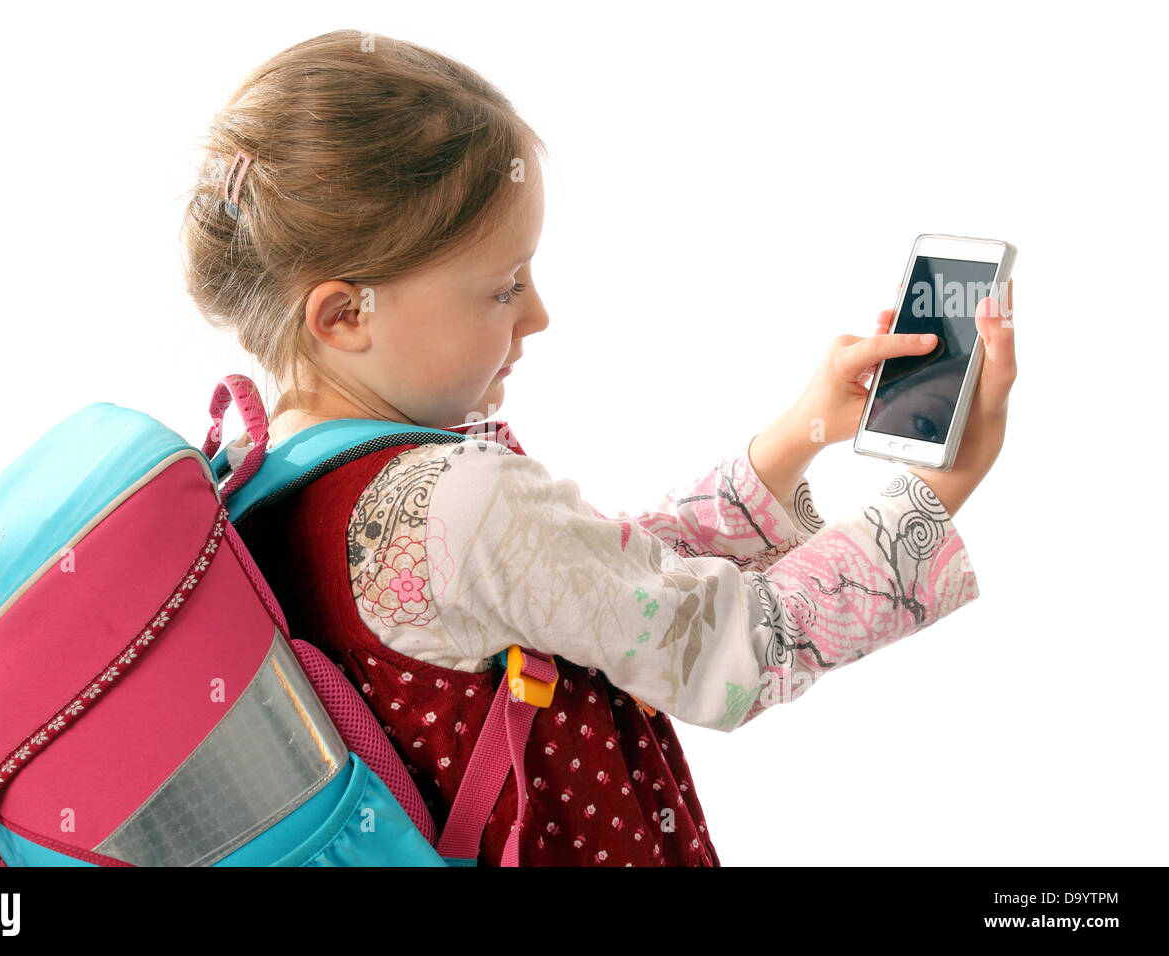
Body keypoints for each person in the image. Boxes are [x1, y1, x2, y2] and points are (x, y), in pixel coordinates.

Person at [179, 29, 1016, 866]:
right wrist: (938, 489)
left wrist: (801, 437)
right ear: (345, 315)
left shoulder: (263, 478)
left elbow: (607, 586)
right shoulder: (459, 501)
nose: (537, 314)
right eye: (505, 286)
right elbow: (730, 647)